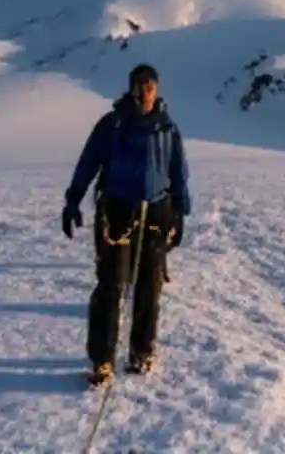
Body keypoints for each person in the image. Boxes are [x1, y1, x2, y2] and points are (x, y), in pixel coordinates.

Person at [62, 63, 190, 386]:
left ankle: (142, 351)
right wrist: (73, 200)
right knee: (111, 284)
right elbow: (88, 162)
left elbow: (178, 172)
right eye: (140, 84)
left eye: (150, 85)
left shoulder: (167, 128)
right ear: (131, 87)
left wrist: (181, 210)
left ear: (157, 89)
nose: (145, 90)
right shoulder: (113, 125)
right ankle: (102, 360)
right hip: (118, 210)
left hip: (157, 212)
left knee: (150, 286)